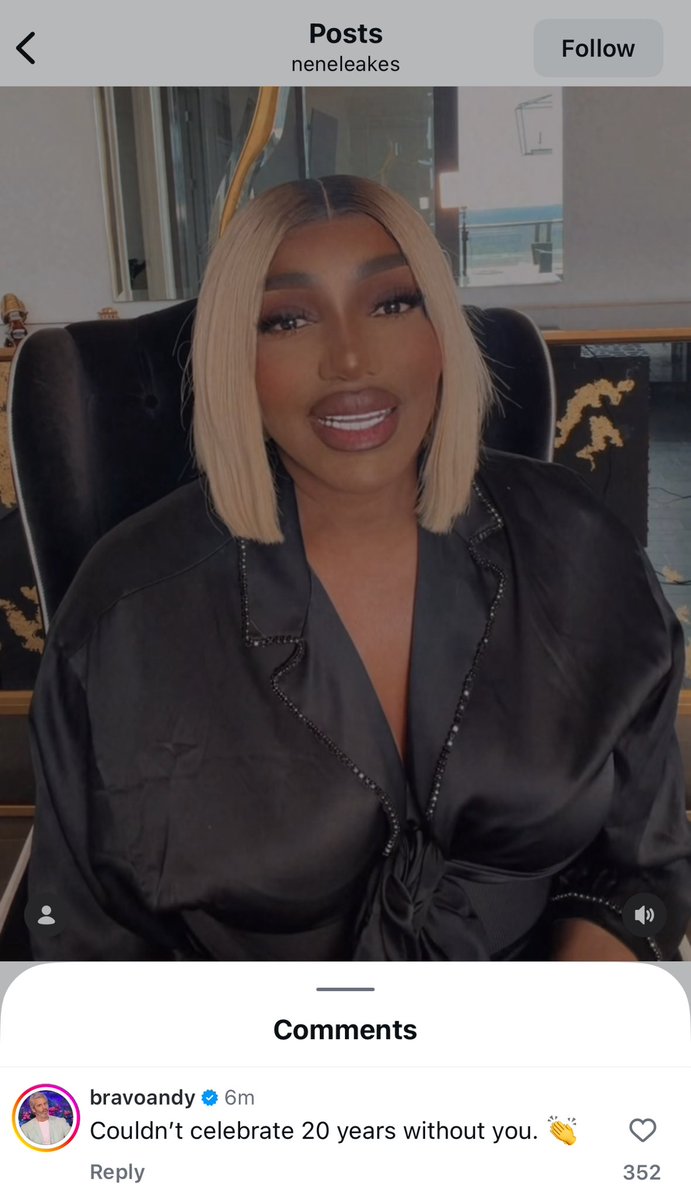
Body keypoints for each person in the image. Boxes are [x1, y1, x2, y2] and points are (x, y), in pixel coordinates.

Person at [28, 175, 691, 962]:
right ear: (236, 359)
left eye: (392, 303)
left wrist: (569, 1009)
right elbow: (84, 948)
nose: (348, 357)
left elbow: (638, 866)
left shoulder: (579, 545)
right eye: (287, 319)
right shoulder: (124, 613)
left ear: (441, 333)